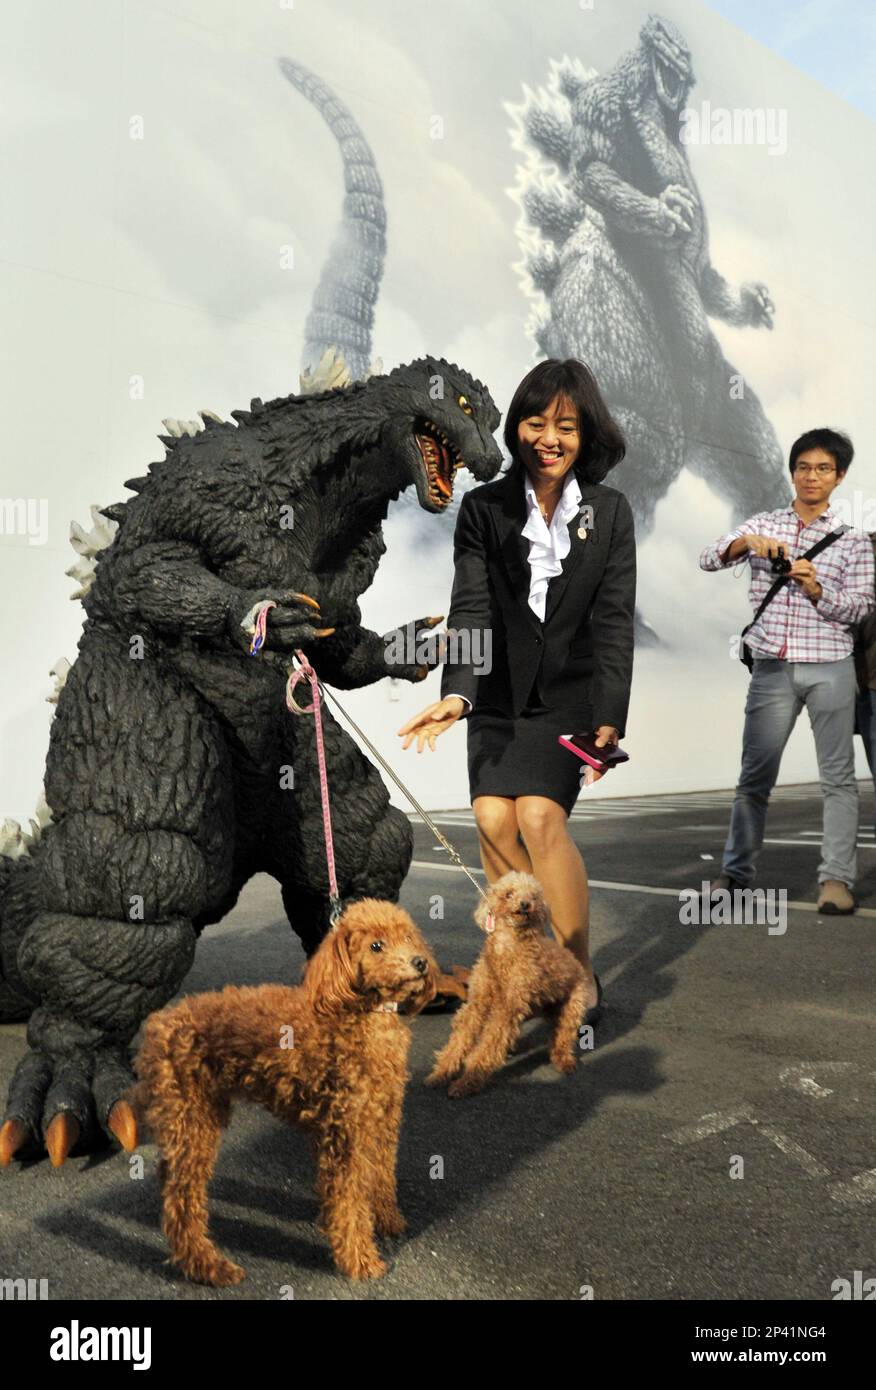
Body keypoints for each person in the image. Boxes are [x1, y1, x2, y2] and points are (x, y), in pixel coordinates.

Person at [396, 358, 636, 1021]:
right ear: (519, 429)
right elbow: (471, 606)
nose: (549, 438)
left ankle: (578, 972)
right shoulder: (484, 509)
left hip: (569, 696)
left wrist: (609, 716)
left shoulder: (611, 515)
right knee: (492, 817)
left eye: (565, 425)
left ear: (586, 433)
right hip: (495, 694)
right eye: (535, 422)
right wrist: (458, 694)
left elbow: (613, 621)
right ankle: (521, 966)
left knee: (538, 816)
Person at [700, 427, 874, 914]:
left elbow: (860, 609)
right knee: (753, 777)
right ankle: (735, 875)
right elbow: (707, 557)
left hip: (831, 667)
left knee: (838, 779)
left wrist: (818, 589)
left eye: (823, 468)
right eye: (803, 467)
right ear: (792, 471)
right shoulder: (765, 524)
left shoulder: (854, 541)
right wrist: (745, 545)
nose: (811, 476)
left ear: (839, 476)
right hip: (772, 667)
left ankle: (835, 881)